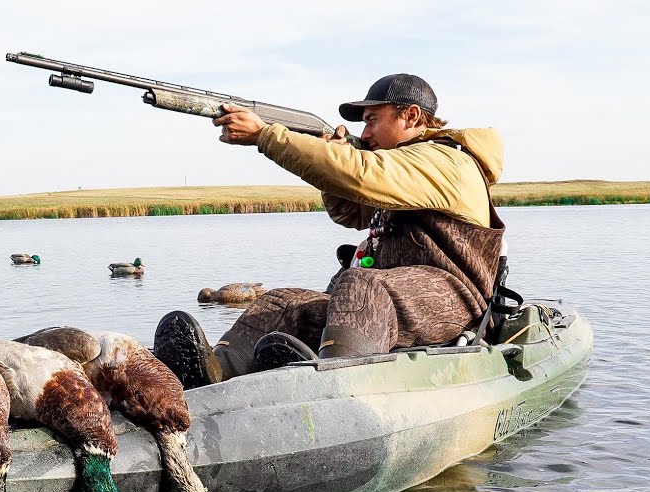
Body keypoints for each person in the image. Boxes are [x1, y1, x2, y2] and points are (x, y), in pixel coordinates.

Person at [153, 73, 507, 389]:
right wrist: (336, 153)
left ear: (410, 115)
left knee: (358, 283)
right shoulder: (403, 164)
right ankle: (212, 379)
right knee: (282, 301)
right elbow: (351, 212)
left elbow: (359, 173)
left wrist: (266, 135)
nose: (365, 132)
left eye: (373, 120)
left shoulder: (447, 161)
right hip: (379, 303)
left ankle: (338, 388)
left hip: (456, 301)